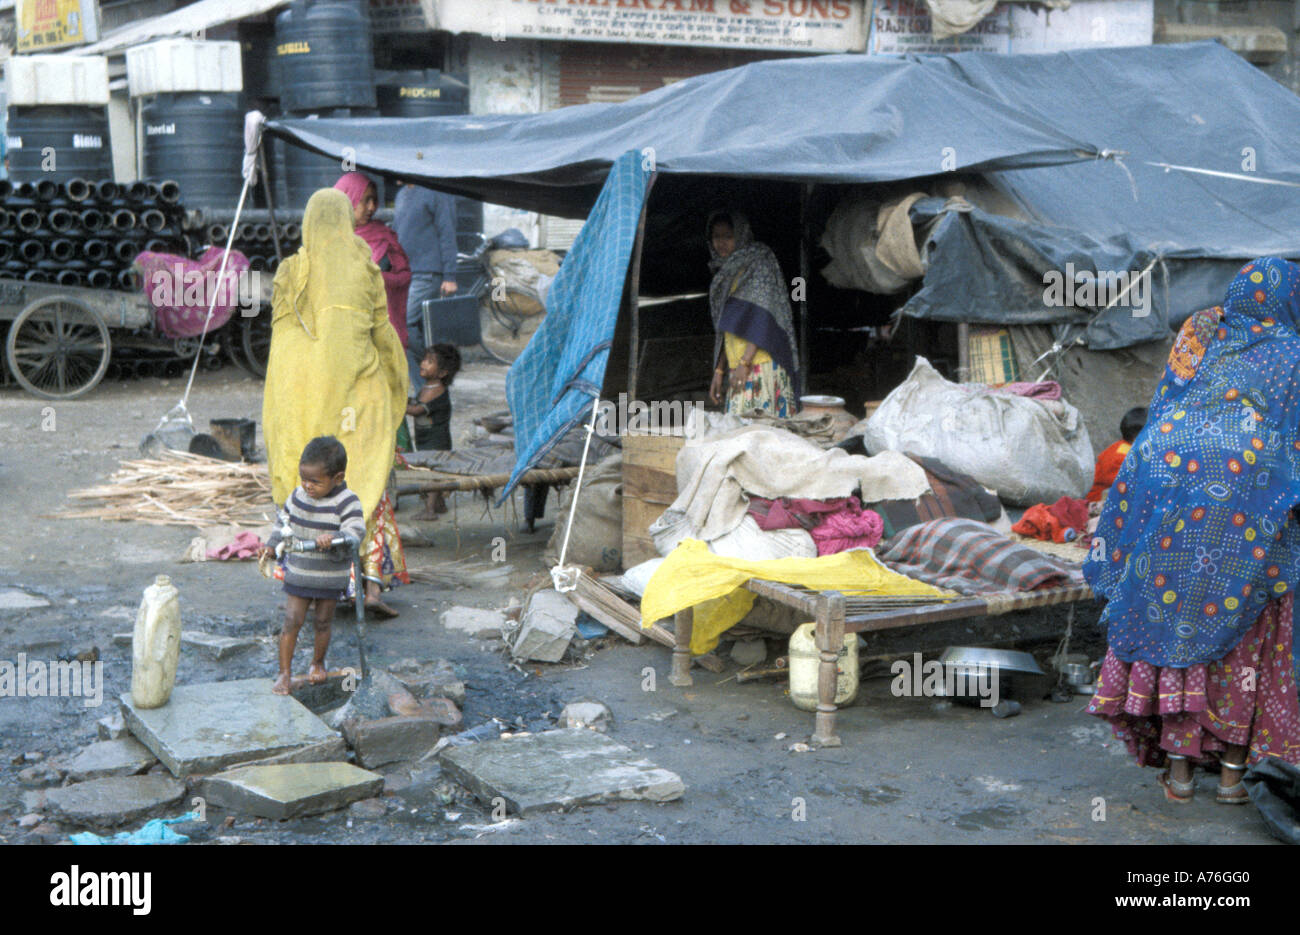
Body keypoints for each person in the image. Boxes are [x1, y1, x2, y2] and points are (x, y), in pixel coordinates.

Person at [1084, 257, 1300, 805]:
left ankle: (1179, 775)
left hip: (1163, 471)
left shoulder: (1201, 328)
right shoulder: (1292, 354)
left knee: (1174, 620)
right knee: (1243, 632)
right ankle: (1230, 777)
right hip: (1249, 494)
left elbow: (1166, 399)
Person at [263, 188, 409, 619]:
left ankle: (311, 584)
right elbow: (383, 335)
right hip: (358, 399)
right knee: (366, 487)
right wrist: (397, 383)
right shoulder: (365, 266)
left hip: (301, 398)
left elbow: (282, 340)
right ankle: (370, 585)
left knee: (310, 492)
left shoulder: (291, 269)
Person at [262, 437, 366, 695]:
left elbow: (355, 532)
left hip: (329, 575)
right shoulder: (297, 496)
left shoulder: (347, 501)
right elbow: (282, 523)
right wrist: (271, 546)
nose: (308, 486)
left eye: (315, 482)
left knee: (322, 621)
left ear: (338, 477)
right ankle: (284, 673)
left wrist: (335, 538)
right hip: (300, 571)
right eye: (304, 479)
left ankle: (317, 663)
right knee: (291, 620)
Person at [705, 210, 801, 417]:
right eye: (716, 237)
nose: (721, 243)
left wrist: (744, 363)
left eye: (728, 237)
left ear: (740, 235)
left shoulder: (759, 263)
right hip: (738, 365)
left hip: (761, 365)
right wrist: (719, 371)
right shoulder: (724, 273)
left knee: (759, 432)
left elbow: (762, 320)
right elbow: (726, 328)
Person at [393, 182, 460, 392]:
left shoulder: (437, 192)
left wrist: (450, 275)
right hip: (406, 273)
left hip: (428, 273)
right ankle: (428, 386)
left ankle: (435, 379)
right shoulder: (403, 194)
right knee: (406, 333)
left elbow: (447, 233)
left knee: (403, 326)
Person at [334, 172, 412, 347]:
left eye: (374, 201)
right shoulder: (328, 239)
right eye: (366, 200)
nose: (372, 207)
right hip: (343, 332)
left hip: (380, 330)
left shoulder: (382, 236)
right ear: (348, 199)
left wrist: (378, 277)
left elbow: (405, 276)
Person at [407, 343, 461, 519]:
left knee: (432, 474)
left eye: (430, 362)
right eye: (424, 359)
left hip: (436, 440)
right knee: (431, 471)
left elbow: (416, 411)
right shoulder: (427, 387)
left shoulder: (437, 390)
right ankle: (440, 505)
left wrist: (397, 404)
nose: (423, 363)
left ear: (442, 373)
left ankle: (429, 510)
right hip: (425, 438)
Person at [1085, 406, 1147, 502]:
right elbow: (1128, 486)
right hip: (1097, 500)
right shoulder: (1119, 458)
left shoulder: (1129, 447)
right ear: (1138, 436)